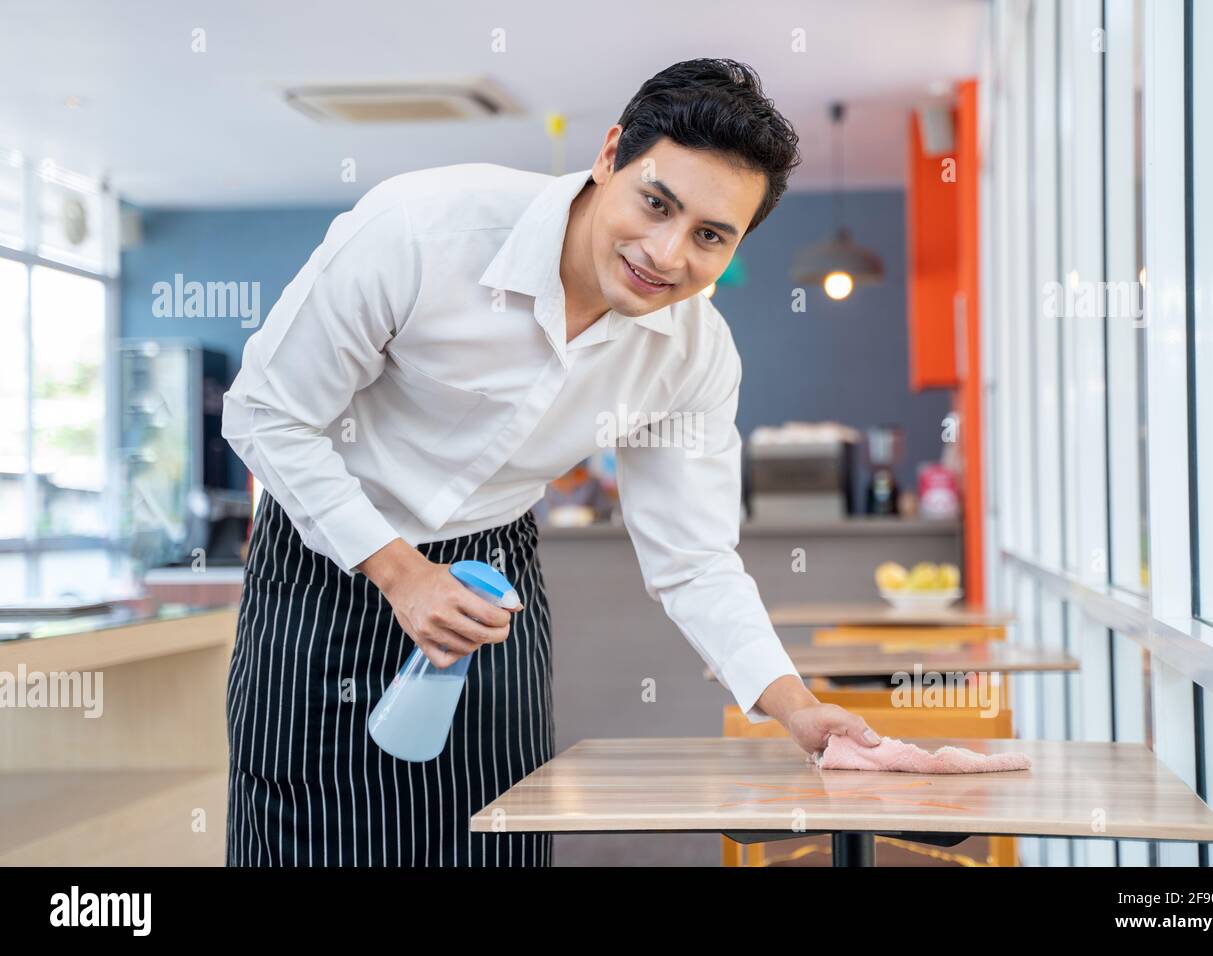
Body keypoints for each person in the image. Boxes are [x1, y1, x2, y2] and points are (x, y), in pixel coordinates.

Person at [221, 57, 881, 868]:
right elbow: (264, 413)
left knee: (497, 832)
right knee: (305, 841)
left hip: (491, 583)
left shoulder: (693, 355)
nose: (667, 254)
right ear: (609, 156)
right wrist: (399, 573)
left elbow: (695, 559)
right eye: (655, 202)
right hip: (325, 566)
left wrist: (797, 708)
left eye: (710, 236)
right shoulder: (422, 230)